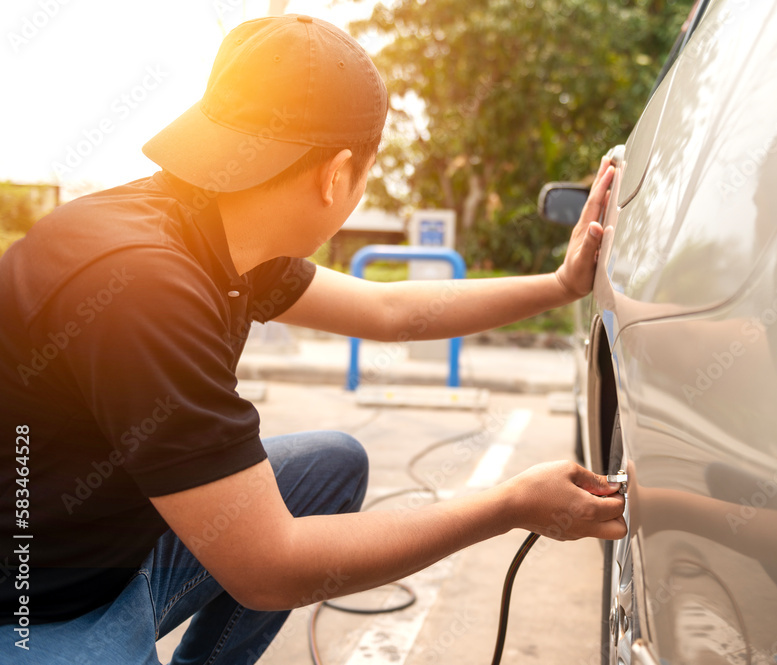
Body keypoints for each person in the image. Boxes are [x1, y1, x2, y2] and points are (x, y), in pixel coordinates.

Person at [0, 14, 622, 664]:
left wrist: (559, 284)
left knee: (330, 465)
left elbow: (387, 309)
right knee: (269, 550)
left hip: (114, 546)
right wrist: (507, 504)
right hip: (36, 604)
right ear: (337, 175)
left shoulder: (214, 228)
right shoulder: (146, 285)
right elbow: (268, 566)